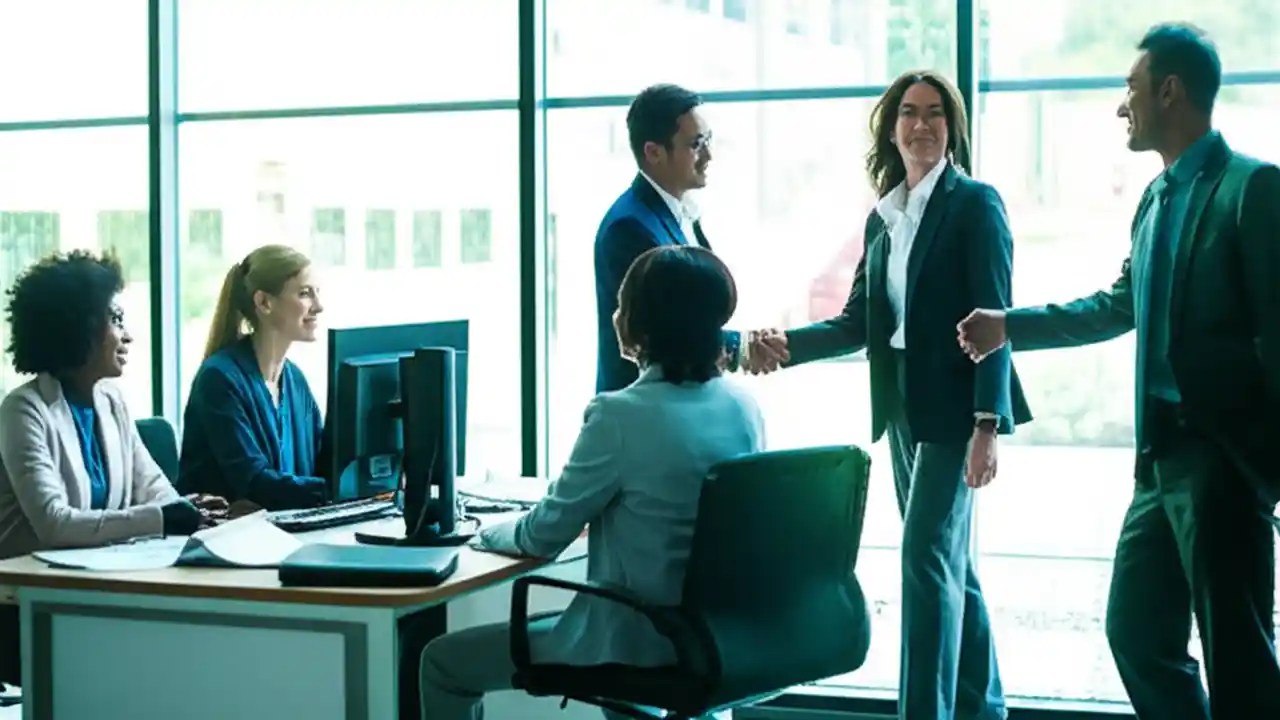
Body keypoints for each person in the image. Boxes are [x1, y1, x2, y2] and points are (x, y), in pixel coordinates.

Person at [957, 23, 1280, 719]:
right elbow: (1114, 306)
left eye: (1130, 88)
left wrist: (1267, 468)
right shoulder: (1156, 198)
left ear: (1170, 90)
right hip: (1158, 457)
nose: (1120, 105)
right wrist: (1009, 326)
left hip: (1224, 460)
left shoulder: (1252, 188)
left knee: (1242, 658)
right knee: (1136, 633)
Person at [746, 70, 1030, 720]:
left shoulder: (975, 204)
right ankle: (984, 710)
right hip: (902, 408)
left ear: (953, 128)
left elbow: (996, 316)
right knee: (948, 563)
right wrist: (784, 344)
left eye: (934, 114)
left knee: (924, 561)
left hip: (956, 411)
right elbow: (855, 322)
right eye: (909, 113)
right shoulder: (885, 215)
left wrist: (988, 423)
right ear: (892, 126)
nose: (921, 125)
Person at [419, 246, 764, 719]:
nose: (615, 314)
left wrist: (483, 530)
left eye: (622, 305)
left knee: (442, 664)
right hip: (716, 639)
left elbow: (541, 536)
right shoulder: (743, 408)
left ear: (640, 325)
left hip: (636, 639)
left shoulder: (619, 416)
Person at [0, 250, 220, 683]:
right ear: (80, 328)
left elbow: (152, 486)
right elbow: (55, 524)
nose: (127, 335)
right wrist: (162, 518)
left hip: (100, 589)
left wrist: (190, 511)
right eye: (115, 319)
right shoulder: (23, 410)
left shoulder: (111, 401)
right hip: (24, 603)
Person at [593, 83, 742, 393]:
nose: (709, 155)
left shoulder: (679, 210)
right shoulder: (630, 228)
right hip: (643, 416)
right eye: (696, 144)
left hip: (682, 401)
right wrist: (746, 347)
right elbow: (668, 334)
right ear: (653, 152)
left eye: (709, 140)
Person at [178, 244, 328, 511]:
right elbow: (254, 483)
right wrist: (331, 490)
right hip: (227, 544)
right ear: (264, 302)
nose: (319, 306)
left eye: (318, 292)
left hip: (286, 537)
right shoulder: (219, 379)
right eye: (305, 293)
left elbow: (324, 462)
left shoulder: (295, 381)